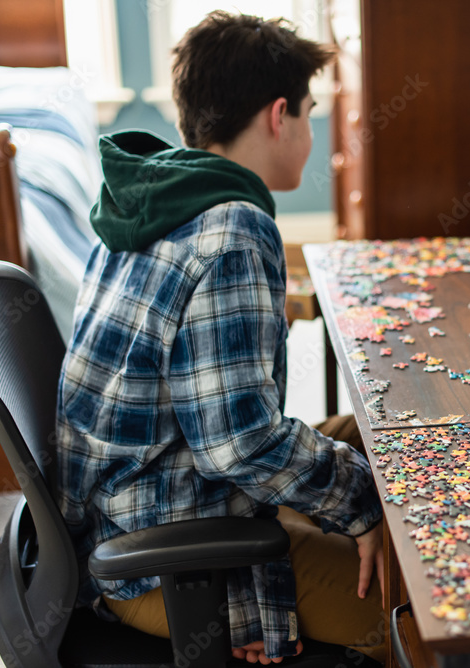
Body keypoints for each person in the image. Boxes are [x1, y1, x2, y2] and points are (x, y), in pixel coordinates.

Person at [56, 11, 385, 665]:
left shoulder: (150, 198)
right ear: (278, 114)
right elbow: (240, 443)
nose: (312, 132)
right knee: (415, 612)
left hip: (126, 506)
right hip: (170, 559)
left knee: (366, 429)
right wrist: (359, 506)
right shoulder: (235, 226)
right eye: (310, 113)